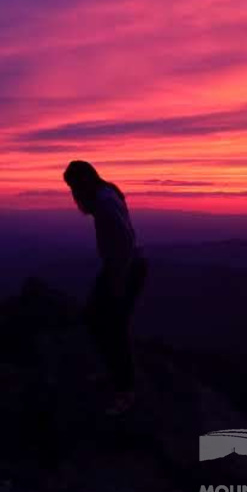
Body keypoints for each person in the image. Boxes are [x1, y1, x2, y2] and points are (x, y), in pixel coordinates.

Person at [63, 160, 147, 415]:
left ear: (84, 182)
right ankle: (117, 376)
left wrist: (118, 279)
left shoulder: (103, 202)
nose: (73, 194)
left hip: (124, 269)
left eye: (74, 187)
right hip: (125, 267)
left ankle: (125, 391)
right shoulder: (107, 194)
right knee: (101, 321)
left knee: (112, 328)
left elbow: (125, 240)